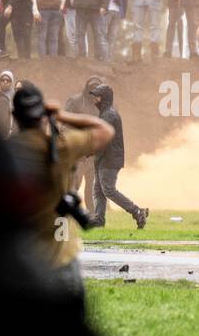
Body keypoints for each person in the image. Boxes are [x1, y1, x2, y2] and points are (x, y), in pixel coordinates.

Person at [7, 83, 117, 299]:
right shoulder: (62, 147)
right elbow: (105, 130)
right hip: (61, 259)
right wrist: (62, 115)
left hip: (23, 261)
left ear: (15, 116)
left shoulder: (6, 151)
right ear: (43, 115)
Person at [89, 84, 148, 229]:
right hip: (103, 159)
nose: (94, 99)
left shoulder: (109, 115)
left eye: (97, 96)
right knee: (98, 190)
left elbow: (102, 140)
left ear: (104, 99)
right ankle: (98, 220)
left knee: (108, 190)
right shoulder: (105, 113)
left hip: (109, 160)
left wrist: (87, 152)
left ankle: (137, 211)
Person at [65, 76, 103, 221]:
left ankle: (92, 216)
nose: (94, 90)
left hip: (94, 154)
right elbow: (65, 124)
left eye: (97, 88)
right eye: (92, 87)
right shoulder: (74, 101)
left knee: (92, 187)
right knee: (75, 185)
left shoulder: (102, 105)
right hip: (79, 152)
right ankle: (69, 213)